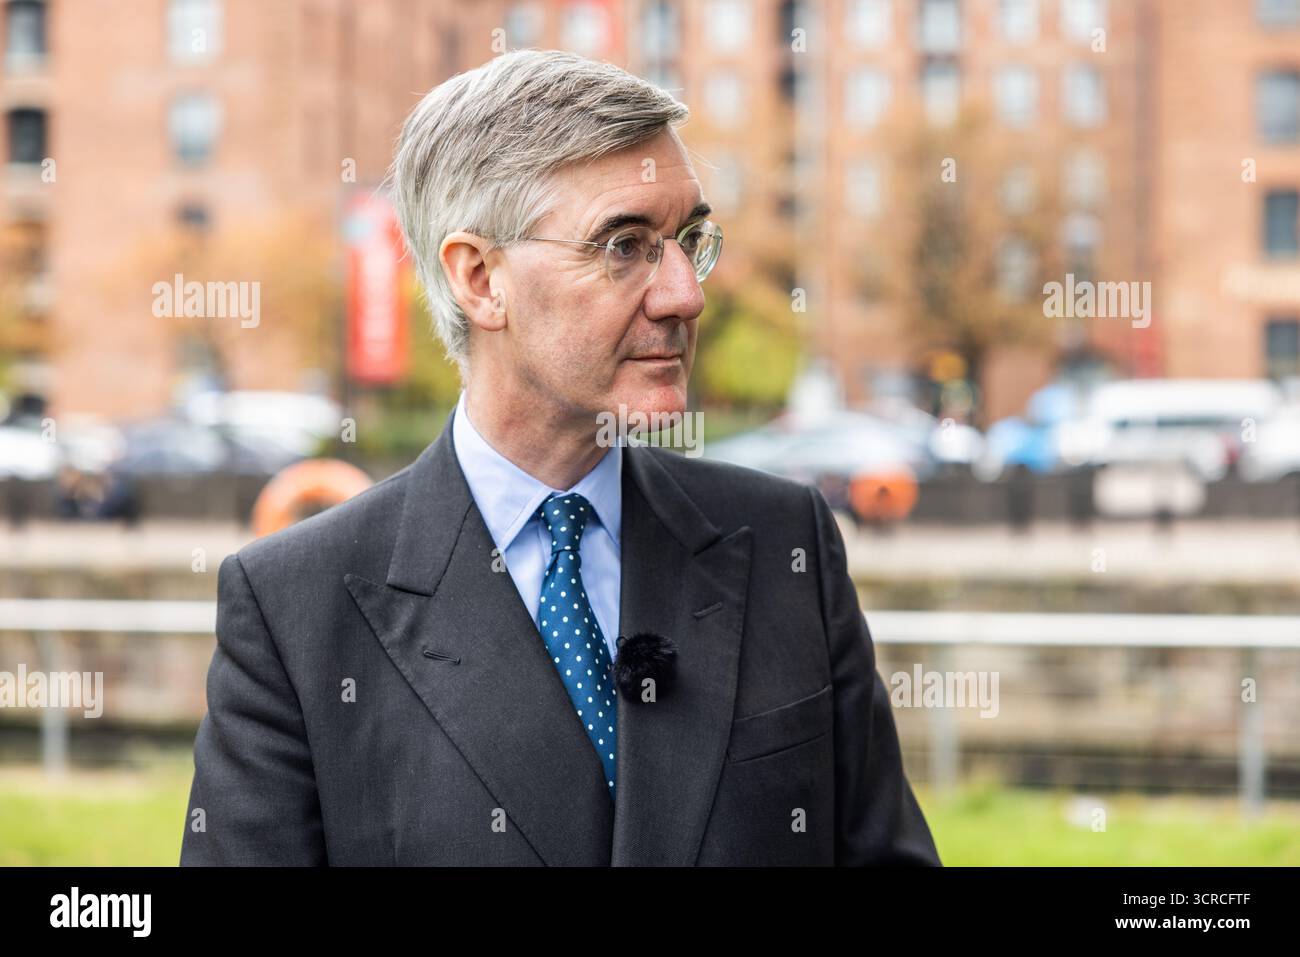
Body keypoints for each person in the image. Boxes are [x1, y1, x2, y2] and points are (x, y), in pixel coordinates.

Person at [180, 48, 939, 866]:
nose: (686, 292)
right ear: (479, 279)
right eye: (624, 245)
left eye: (688, 239)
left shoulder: (786, 542)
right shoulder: (293, 610)